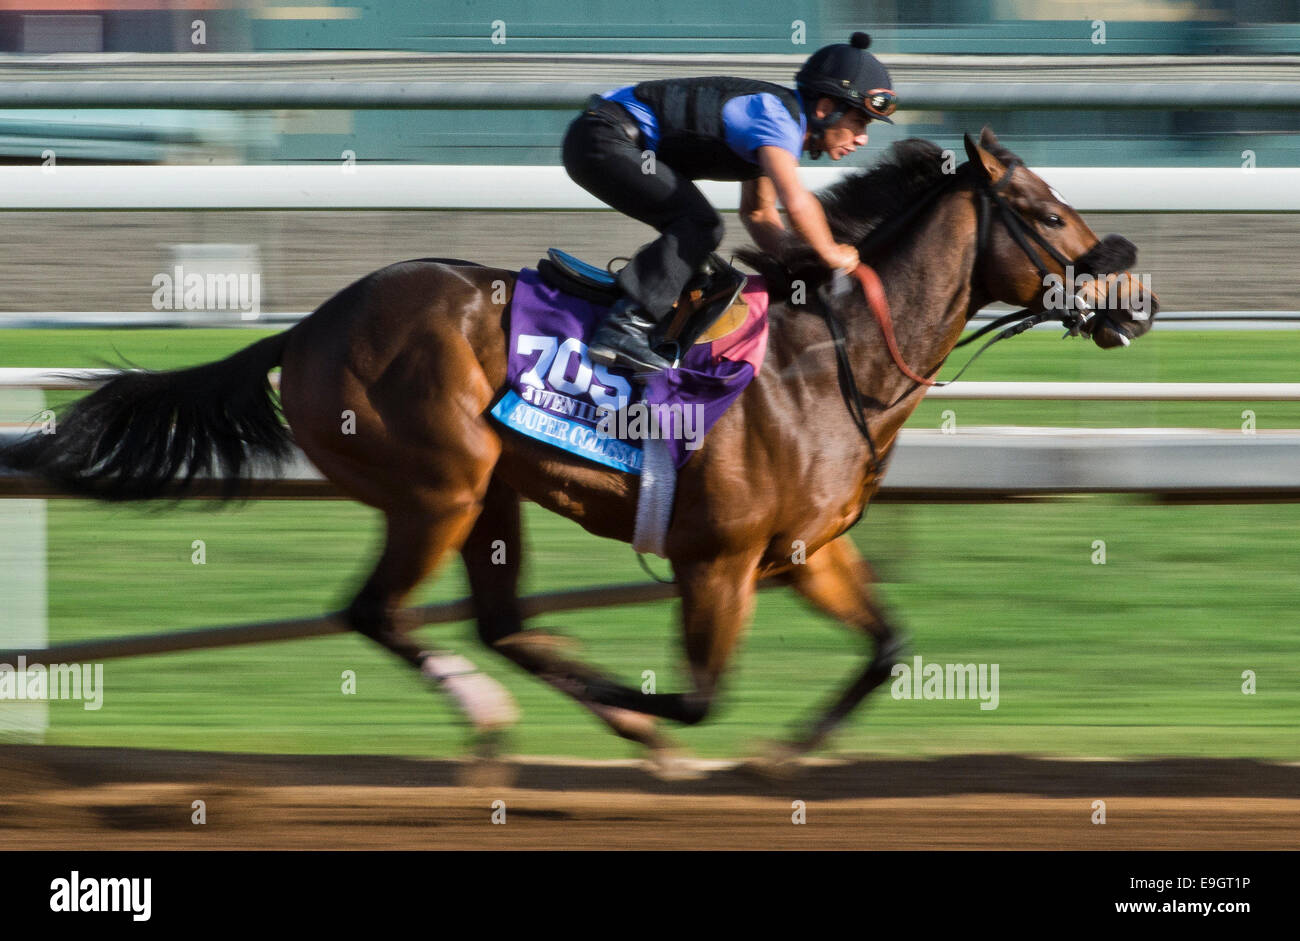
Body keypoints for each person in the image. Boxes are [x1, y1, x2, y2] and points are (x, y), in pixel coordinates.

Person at [561, 31, 898, 373]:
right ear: (826, 108)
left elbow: (759, 213)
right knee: (701, 224)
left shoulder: (780, 125)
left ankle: (649, 328)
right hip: (601, 138)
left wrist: (798, 269)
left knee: (701, 257)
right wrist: (832, 253)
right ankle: (625, 326)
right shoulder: (778, 120)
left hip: (602, 139)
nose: (862, 137)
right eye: (859, 120)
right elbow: (795, 201)